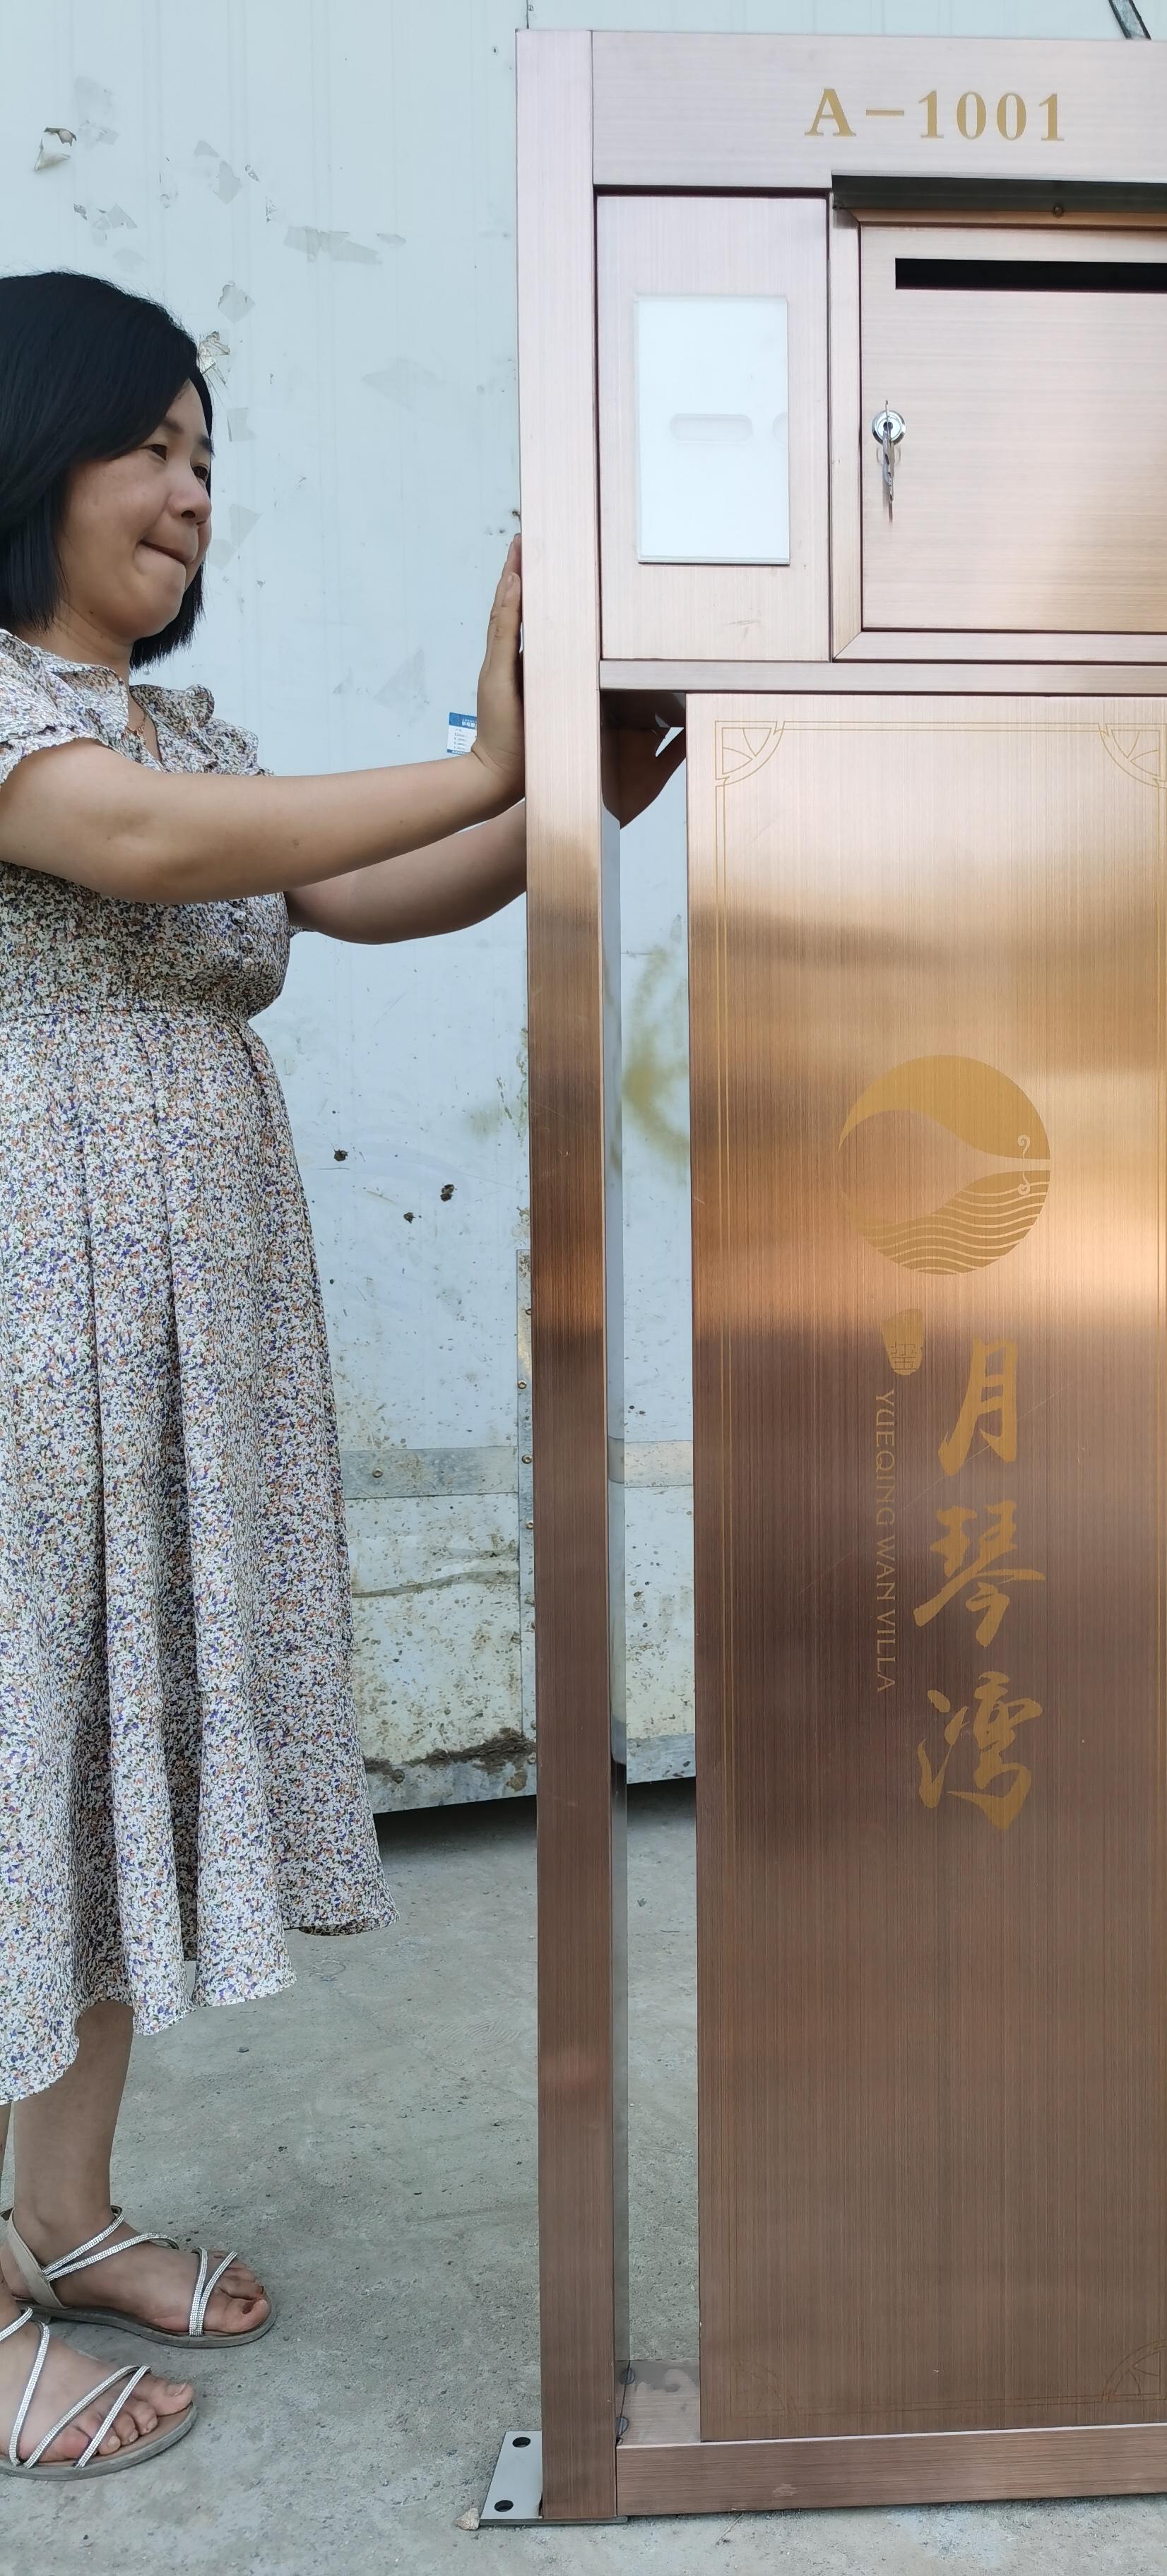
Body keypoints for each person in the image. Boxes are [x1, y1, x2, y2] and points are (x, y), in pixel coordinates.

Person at [0, 269, 679, 2476]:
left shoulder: (185, 732)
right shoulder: (26, 721)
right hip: (31, 1321)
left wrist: (573, 794)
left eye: (209, 457)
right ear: (30, 450)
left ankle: (59, 2215)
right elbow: (132, 851)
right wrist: (485, 755)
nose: (192, 492)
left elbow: (367, 892)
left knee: (103, 1757)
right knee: (16, 1749)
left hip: (174, 1320)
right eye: (152, 445)